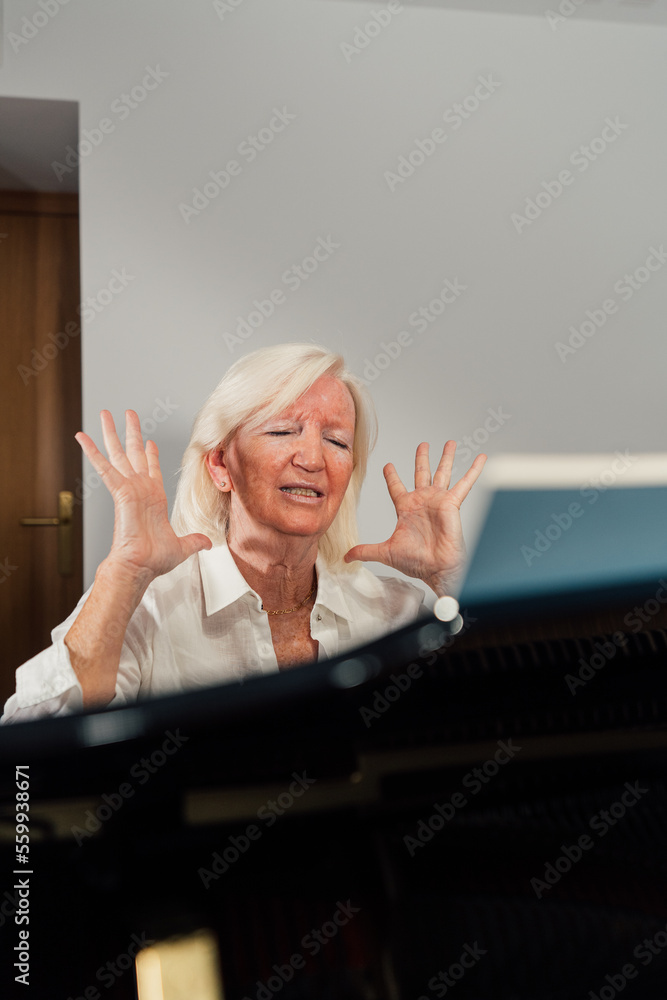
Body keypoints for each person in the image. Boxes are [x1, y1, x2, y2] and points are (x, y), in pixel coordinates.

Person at [1, 343, 486, 723]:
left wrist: (452, 578)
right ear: (220, 465)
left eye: (336, 441)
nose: (313, 458)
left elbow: (491, 722)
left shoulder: (396, 613)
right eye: (282, 432)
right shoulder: (147, 606)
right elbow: (28, 750)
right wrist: (124, 572)